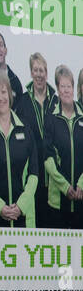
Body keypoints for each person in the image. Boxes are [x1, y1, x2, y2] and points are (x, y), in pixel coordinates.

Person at [0, 67, 39, 228]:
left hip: (24, 219)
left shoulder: (26, 128)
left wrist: (20, 207)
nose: (0, 97)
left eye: (3, 92)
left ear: (10, 94)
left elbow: (34, 173)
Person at [43, 64, 83, 229]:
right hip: (58, 201)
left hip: (81, 198)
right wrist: (65, 186)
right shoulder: (50, 118)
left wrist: (82, 183)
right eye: (62, 86)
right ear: (58, 90)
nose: (66, 90)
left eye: (69, 86)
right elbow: (48, 159)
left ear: (74, 89)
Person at [24, 52, 56, 230]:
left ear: (47, 72)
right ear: (30, 73)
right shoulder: (22, 103)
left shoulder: (57, 102)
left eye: (42, 70)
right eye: (35, 70)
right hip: (32, 177)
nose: (38, 74)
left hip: (54, 181)